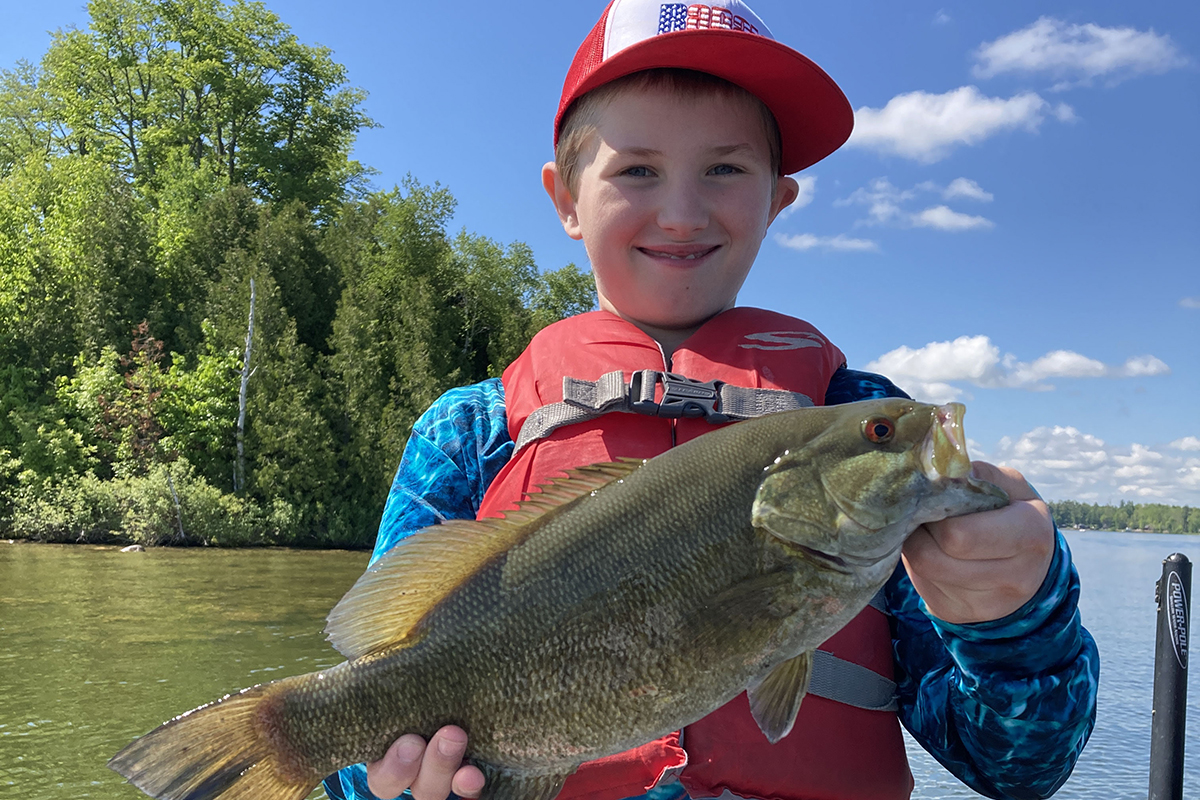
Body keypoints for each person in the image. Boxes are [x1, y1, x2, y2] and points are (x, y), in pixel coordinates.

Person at [323, 2, 1099, 799]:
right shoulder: (470, 433)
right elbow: (355, 751)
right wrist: (382, 784)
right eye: (637, 170)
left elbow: (1020, 767)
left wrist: (1014, 619)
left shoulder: (854, 421)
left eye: (725, 169)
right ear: (565, 198)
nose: (683, 212)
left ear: (779, 199)